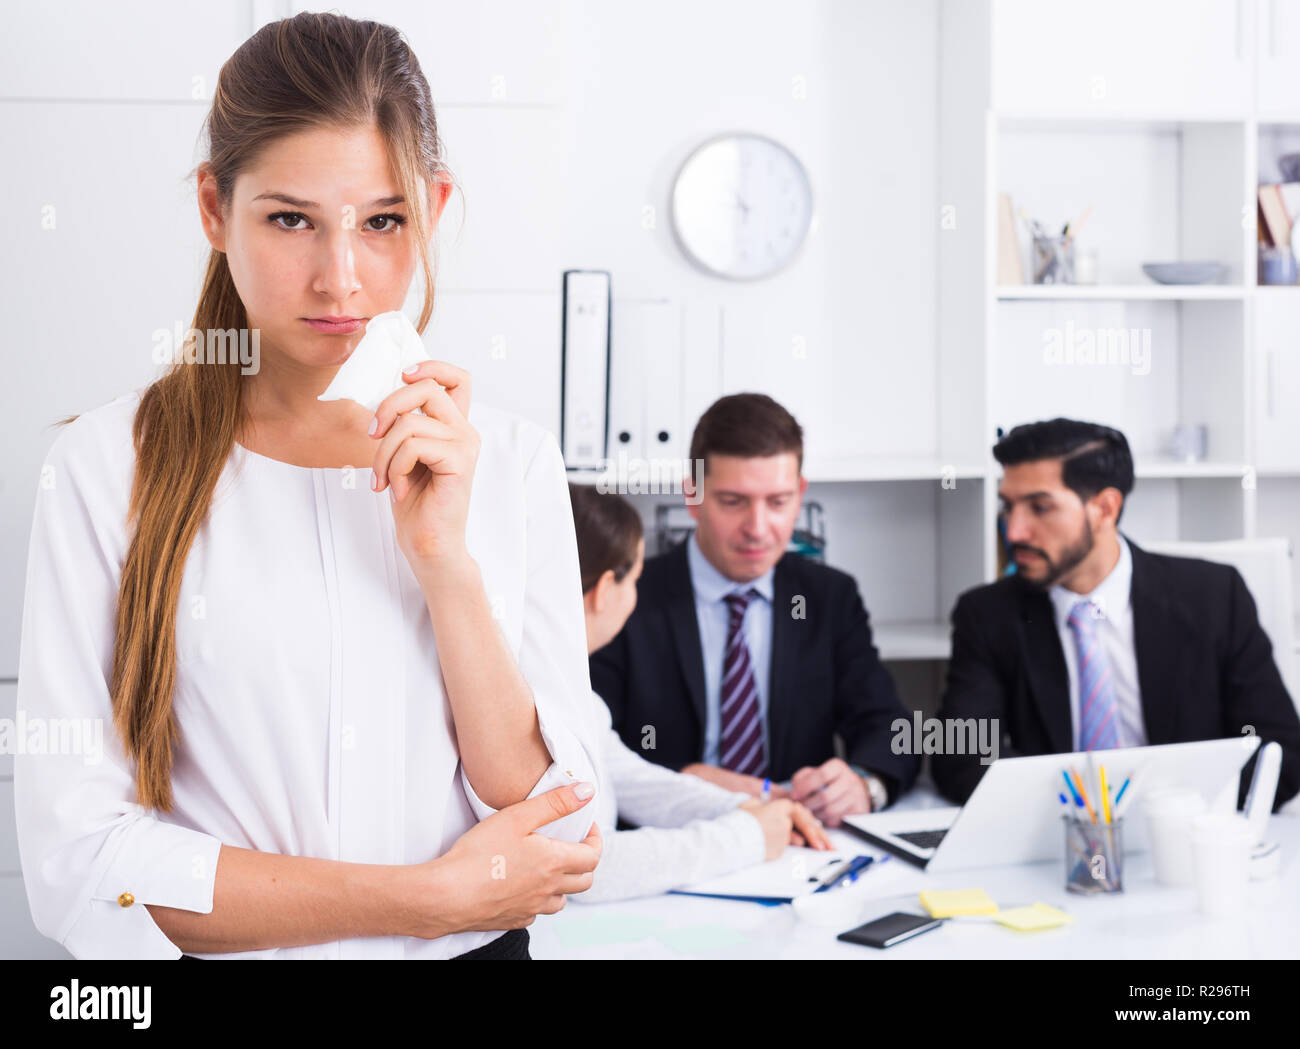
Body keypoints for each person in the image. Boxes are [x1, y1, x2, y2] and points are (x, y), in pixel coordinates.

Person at [13, 11, 602, 961]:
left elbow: (557, 823)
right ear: (214, 208)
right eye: (291, 219)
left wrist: (445, 564)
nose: (342, 279)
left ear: (434, 209)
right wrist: (426, 900)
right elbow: (82, 864)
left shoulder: (514, 462)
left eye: (383, 222)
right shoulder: (102, 467)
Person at [931, 418, 1300, 808]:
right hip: (1060, 840)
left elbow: (1281, 756)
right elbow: (959, 758)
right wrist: (1089, 815)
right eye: (1009, 507)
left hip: (1186, 838)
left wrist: (1156, 812)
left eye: (1040, 507)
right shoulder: (987, 614)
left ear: (1105, 508)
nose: (1015, 531)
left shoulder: (1214, 597)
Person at [589, 393, 919, 828]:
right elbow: (590, 748)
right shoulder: (627, 598)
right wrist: (681, 784)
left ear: (800, 495)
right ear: (694, 494)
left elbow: (891, 729)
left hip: (795, 841)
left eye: (778, 502)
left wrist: (864, 783)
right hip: (670, 841)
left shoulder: (828, 597)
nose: (758, 529)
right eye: (733, 501)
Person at [567, 483, 831, 902]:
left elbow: (635, 780)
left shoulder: (574, 696)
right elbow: (586, 868)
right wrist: (750, 834)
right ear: (602, 592)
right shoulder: (535, 703)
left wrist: (744, 809)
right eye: (634, 580)